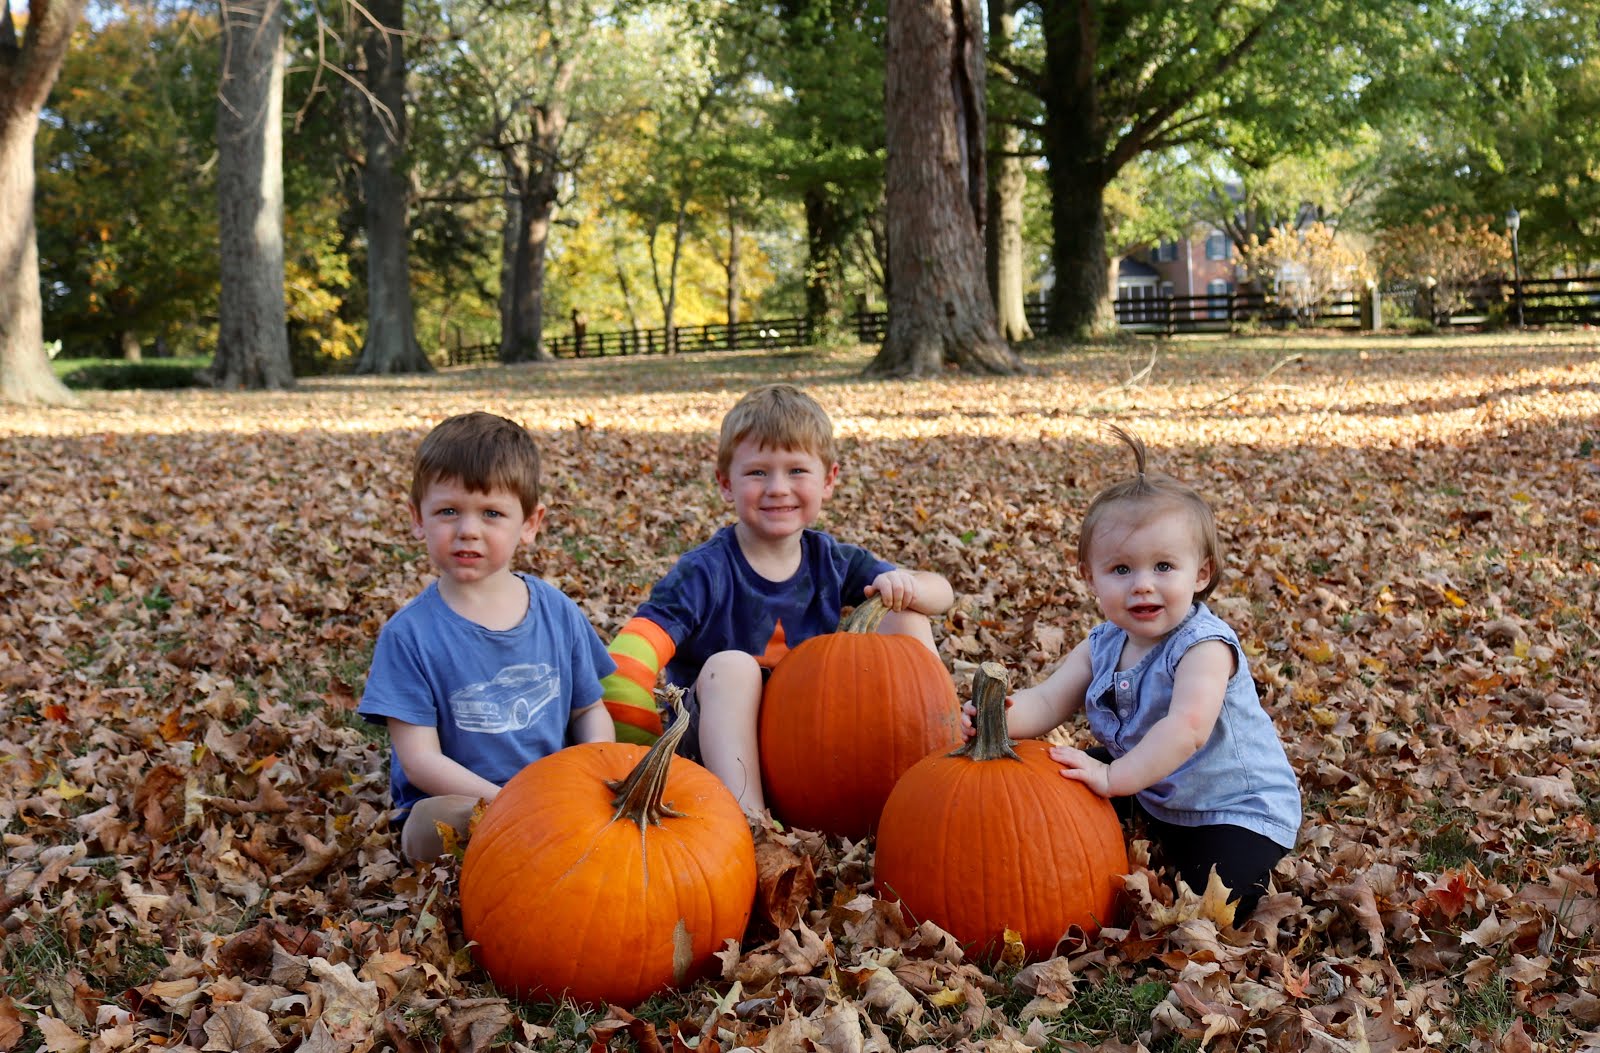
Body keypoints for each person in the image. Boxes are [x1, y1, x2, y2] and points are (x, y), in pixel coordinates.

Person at [987, 425, 1300, 920]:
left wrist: (1114, 777)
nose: (1143, 586)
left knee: (1209, 902)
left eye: (1163, 567)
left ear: (1200, 573)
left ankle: (1203, 860)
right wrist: (996, 718)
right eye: (1121, 570)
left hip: (1235, 808)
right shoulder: (1104, 643)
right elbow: (1047, 700)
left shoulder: (1204, 647)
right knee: (1060, 775)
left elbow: (1187, 730)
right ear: (1090, 578)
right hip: (1151, 789)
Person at [600, 383, 954, 814]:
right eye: (757, 473)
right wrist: (640, 752)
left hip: (808, 745)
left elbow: (942, 593)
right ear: (726, 484)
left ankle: (932, 767)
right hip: (715, 747)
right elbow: (627, 662)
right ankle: (748, 822)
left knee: (905, 614)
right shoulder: (705, 572)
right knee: (734, 668)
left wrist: (908, 586)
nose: (777, 488)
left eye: (796, 470)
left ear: (829, 480)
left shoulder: (831, 560)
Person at [358, 412, 616, 862]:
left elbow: (588, 710)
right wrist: (510, 804)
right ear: (418, 518)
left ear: (530, 523)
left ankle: (559, 847)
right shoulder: (410, 635)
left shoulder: (556, 612)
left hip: (554, 797)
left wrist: (599, 773)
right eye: (448, 511)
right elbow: (420, 761)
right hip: (465, 803)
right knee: (428, 826)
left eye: (492, 513)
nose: (468, 531)